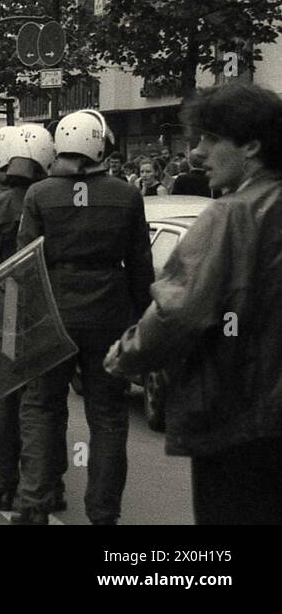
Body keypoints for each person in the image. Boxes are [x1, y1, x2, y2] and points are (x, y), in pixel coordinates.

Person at [107, 83, 282, 524]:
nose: (196, 154)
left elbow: (180, 311)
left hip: (237, 415)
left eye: (209, 139)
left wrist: (124, 356)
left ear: (252, 147)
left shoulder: (230, 216)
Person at [13, 109, 154, 525]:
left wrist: (22, 321)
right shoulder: (127, 195)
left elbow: (26, 264)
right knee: (108, 417)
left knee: (42, 407)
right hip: (109, 313)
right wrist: (141, 322)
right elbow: (141, 266)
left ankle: (35, 503)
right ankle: (104, 512)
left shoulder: (39, 195)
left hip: (53, 312)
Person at [0, 125, 63, 512]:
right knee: (46, 404)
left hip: (3, 309)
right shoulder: (55, 199)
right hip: (45, 309)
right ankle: (45, 485)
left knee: (0, 397)